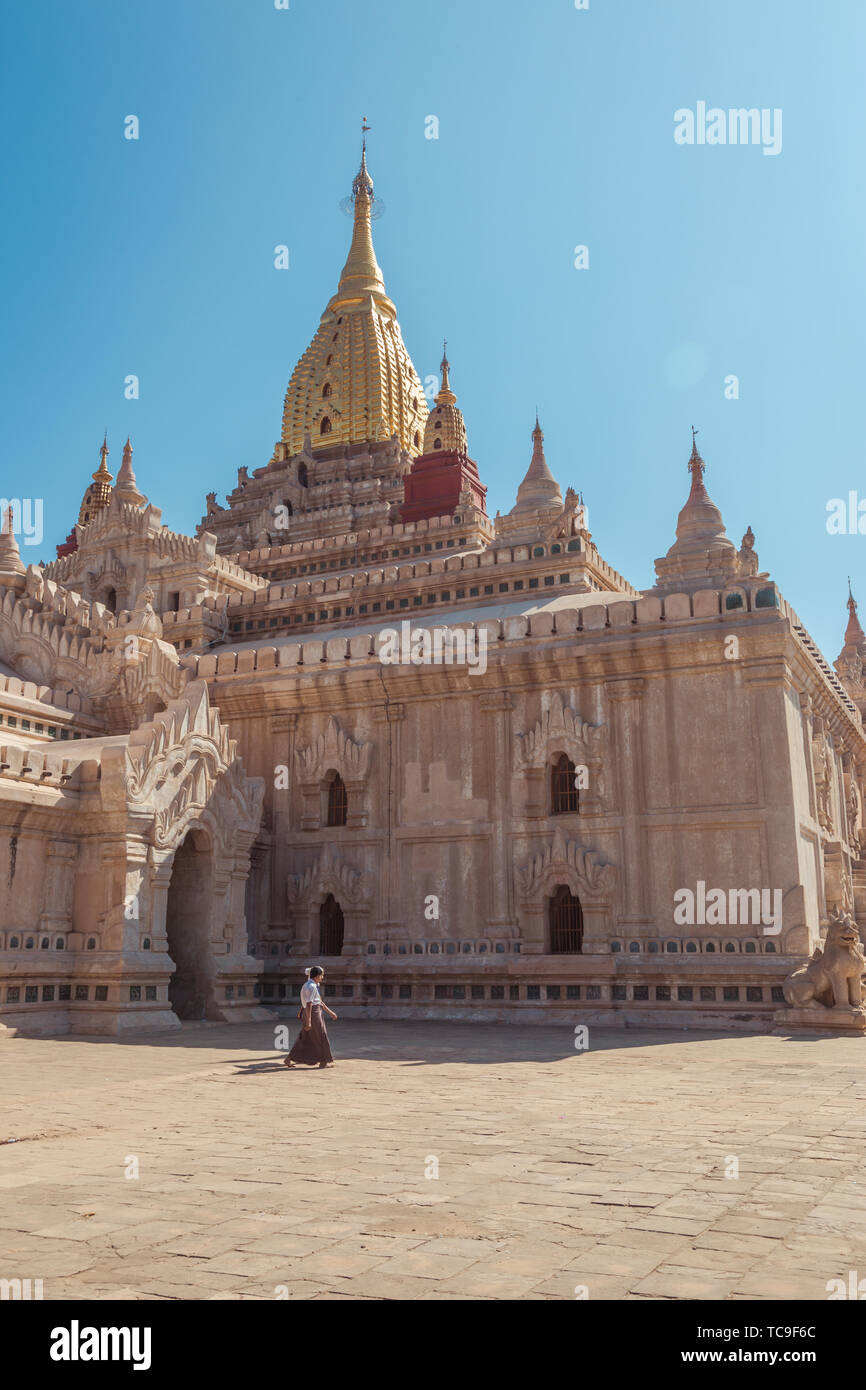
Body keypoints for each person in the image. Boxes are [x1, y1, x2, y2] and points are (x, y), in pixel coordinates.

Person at [284, 966, 337, 1069]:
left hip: (312, 1012)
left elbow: (319, 1002)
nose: (322, 977)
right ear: (317, 976)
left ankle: (289, 1058)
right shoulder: (312, 986)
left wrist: (330, 1013)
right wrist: (308, 1022)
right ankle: (323, 1061)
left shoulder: (308, 985)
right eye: (322, 975)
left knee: (305, 1037)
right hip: (313, 1013)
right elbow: (309, 1004)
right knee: (321, 1036)